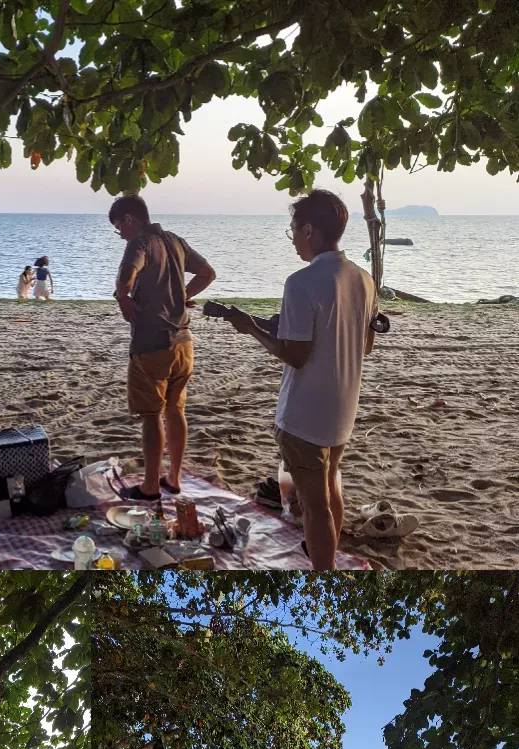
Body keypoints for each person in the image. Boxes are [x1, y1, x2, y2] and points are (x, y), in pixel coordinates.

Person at [219, 189, 377, 569]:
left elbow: (295, 355)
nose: (292, 241)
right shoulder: (365, 279)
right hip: (343, 408)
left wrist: (250, 329)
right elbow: (366, 346)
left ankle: (325, 569)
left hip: (305, 415)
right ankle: (327, 553)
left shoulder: (301, 282)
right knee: (331, 487)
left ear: (309, 229)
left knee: (314, 504)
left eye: (293, 231)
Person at [110, 194, 216, 500]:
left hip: (152, 342)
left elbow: (126, 276)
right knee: (176, 410)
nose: (121, 235)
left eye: (120, 228)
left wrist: (123, 299)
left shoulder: (140, 242)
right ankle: (174, 477)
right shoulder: (175, 241)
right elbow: (208, 273)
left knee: (152, 415)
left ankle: (151, 485)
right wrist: (182, 296)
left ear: (130, 220)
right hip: (183, 342)